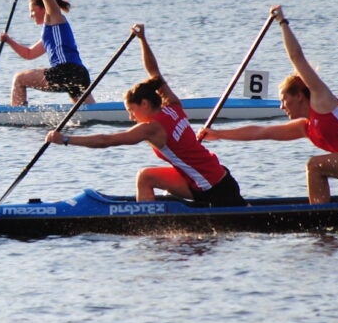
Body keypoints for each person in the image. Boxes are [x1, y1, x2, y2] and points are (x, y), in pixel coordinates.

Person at [200, 5, 338, 204]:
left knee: (315, 166)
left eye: (284, 99)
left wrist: (282, 23)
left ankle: (318, 218)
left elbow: (297, 58)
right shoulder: (305, 127)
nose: (281, 107)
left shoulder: (322, 102)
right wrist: (219, 134)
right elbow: (261, 132)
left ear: (299, 96)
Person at [45, 24, 246, 207]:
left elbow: (107, 140)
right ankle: (159, 215)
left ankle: (147, 225)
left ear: (144, 103)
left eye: (131, 111)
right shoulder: (173, 106)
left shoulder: (152, 128)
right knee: (150, 177)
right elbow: (154, 73)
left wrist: (66, 139)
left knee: (145, 177)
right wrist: (142, 39)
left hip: (211, 190)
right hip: (221, 178)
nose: (131, 117)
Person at [0, 0, 95, 106]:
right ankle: (109, 114)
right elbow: (29, 54)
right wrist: (8, 40)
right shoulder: (51, 35)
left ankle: (16, 116)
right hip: (79, 74)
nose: (30, 15)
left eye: (32, 11)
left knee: (19, 79)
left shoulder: (54, 16)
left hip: (65, 71)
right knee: (89, 111)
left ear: (43, 8)